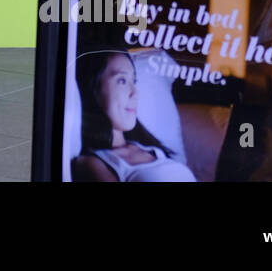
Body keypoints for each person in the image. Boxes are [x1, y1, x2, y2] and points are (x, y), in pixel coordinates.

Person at [71, 50, 196, 182]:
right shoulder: (93, 164)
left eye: (134, 81)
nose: (135, 93)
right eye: (122, 81)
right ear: (93, 91)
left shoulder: (153, 150)